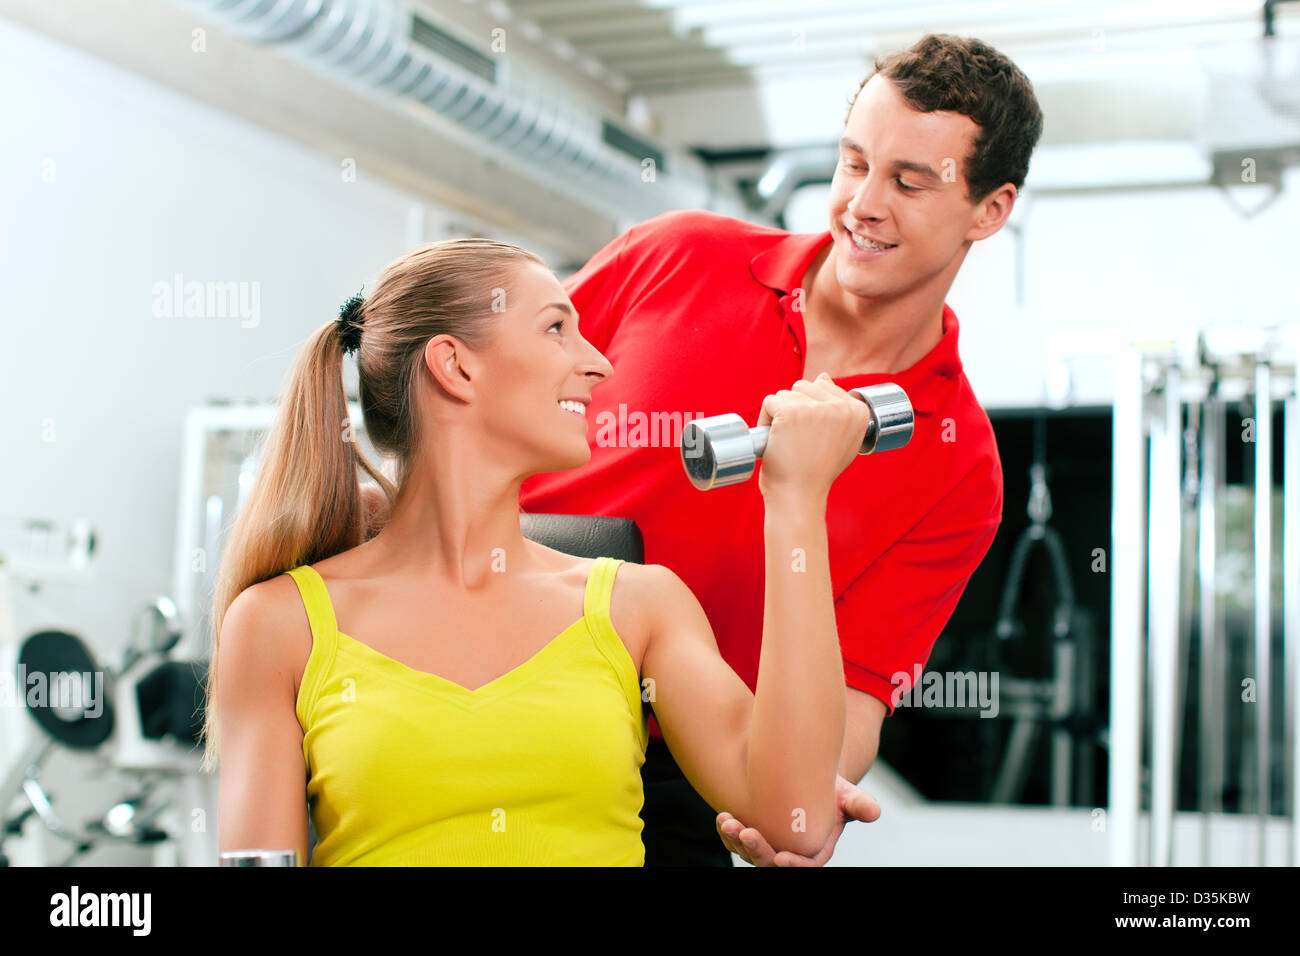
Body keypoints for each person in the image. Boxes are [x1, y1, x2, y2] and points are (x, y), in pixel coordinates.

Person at [506, 33, 1045, 866]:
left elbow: (857, 700)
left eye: (907, 182)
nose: (863, 204)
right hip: (464, 687)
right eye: (853, 162)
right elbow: (481, 415)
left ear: (990, 209)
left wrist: (798, 793)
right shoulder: (674, 256)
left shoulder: (959, 467)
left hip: (667, 771)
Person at [205, 237, 875, 865]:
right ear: (455, 366)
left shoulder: (638, 605)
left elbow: (796, 818)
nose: (598, 362)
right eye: (557, 328)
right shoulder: (277, 625)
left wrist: (795, 503)